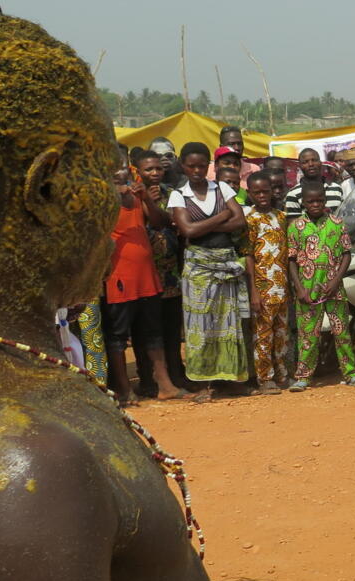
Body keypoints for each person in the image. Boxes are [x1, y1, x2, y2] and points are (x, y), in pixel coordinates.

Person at [0, 11, 250, 581]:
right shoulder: (23, 466)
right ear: (47, 188)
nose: (124, 195)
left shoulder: (28, 379)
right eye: (108, 173)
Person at [103, 156, 191, 404]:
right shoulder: (104, 200)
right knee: (119, 336)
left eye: (122, 167)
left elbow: (160, 222)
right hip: (119, 275)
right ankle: (123, 390)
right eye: (114, 168)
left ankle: (165, 385)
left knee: (154, 332)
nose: (120, 172)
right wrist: (114, 194)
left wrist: (147, 200)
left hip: (146, 274)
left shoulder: (136, 195)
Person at [168, 141, 249, 403]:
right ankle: (203, 383)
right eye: (191, 166)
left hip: (224, 262)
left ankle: (228, 379)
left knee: (227, 323)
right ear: (183, 165)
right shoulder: (178, 195)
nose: (197, 170)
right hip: (198, 267)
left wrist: (204, 225)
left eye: (202, 165)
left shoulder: (221, 187)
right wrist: (221, 216)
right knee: (199, 326)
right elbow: (187, 232)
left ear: (208, 166)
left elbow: (240, 221)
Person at [286, 181, 355, 390]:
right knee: (307, 334)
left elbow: (346, 255)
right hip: (307, 288)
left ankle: (351, 373)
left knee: (341, 332)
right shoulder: (296, 226)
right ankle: (303, 376)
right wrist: (299, 288)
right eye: (311, 201)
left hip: (334, 288)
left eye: (319, 201)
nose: (315, 204)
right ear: (303, 202)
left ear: (325, 201)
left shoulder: (336, 223)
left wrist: (335, 281)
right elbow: (292, 260)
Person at [133, 149, 189, 395]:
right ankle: (148, 379)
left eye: (158, 168)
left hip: (170, 270)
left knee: (171, 326)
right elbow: (154, 222)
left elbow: (171, 222)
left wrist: (156, 204)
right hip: (144, 272)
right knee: (145, 328)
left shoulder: (171, 193)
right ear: (138, 170)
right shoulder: (132, 194)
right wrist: (148, 201)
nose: (155, 173)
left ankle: (176, 374)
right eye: (149, 169)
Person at [243, 171, 290, 394]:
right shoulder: (250, 220)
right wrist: (253, 290)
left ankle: (281, 372)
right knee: (263, 334)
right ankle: (265, 377)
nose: (262, 196)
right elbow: (249, 256)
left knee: (281, 333)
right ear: (249, 193)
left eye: (266, 191)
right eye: (257, 192)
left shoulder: (281, 216)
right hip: (263, 287)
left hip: (282, 286)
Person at [284, 147, 343, 219]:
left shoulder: (336, 188)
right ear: (300, 166)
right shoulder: (293, 194)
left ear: (321, 163)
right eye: (305, 162)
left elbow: (342, 217)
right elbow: (293, 225)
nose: (311, 164)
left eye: (314, 160)